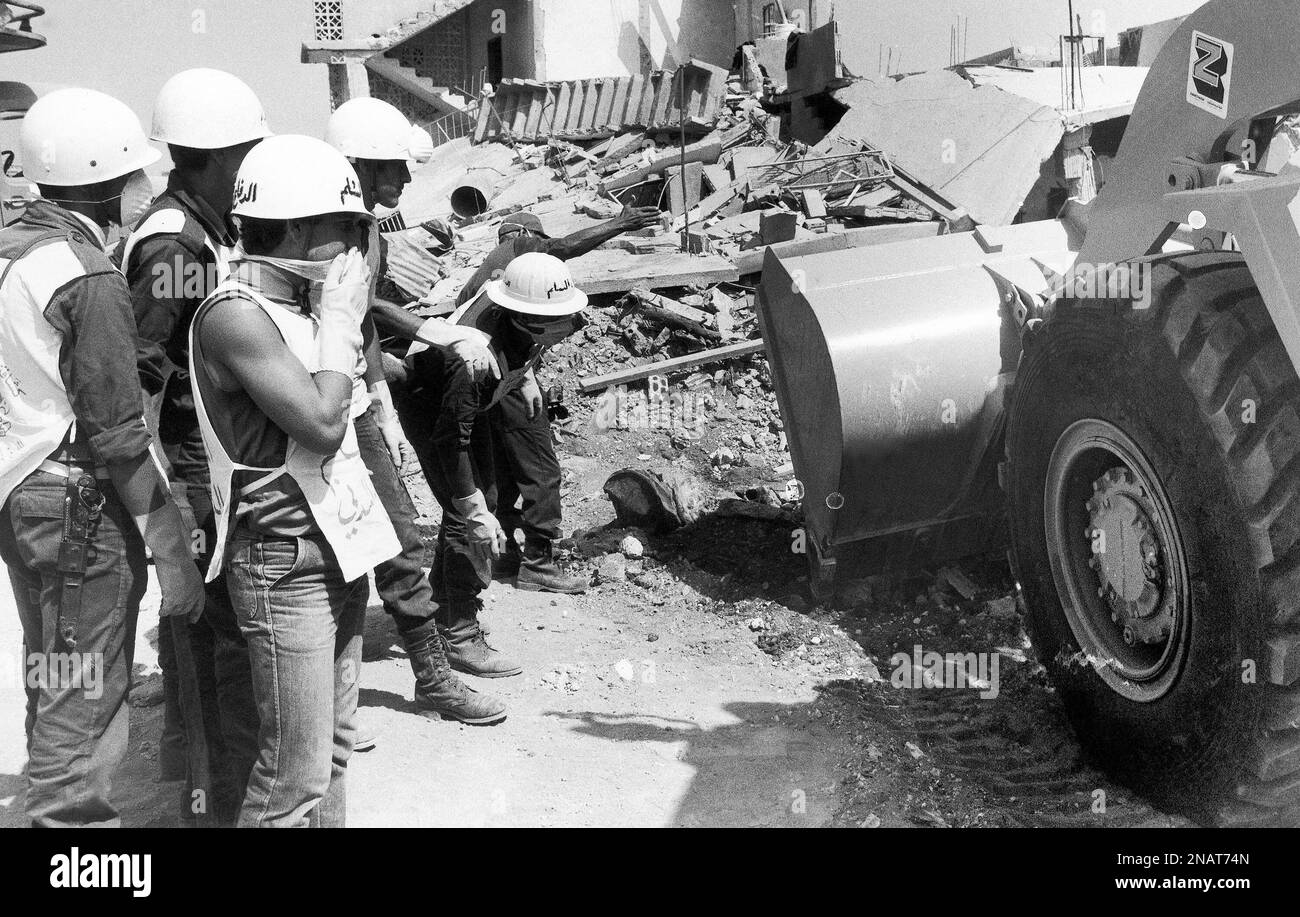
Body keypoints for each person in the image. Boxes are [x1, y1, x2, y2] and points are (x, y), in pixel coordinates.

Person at [0, 88, 205, 827]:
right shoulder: (85, 275)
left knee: (57, 669)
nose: (143, 191)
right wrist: (170, 545)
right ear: (107, 182)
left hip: (23, 492)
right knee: (84, 691)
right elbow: (118, 431)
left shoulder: (12, 248)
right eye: (134, 177)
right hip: (78, 500)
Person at [188, 134, 400, 827]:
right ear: (300, 228)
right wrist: (341, 323)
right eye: (345, 228)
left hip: (336, 545)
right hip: (284, 562)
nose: (354, 245)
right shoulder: (234, 314)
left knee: (332, 753)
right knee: (292, 777)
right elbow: (322, 421)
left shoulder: (304, 305)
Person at [324, 96, 506, 724]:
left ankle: (419, 674)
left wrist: (383, 393)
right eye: (393, 169)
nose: (404, 182)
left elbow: (366, 315)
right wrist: (431, 335)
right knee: (370, 544)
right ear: (356, 163)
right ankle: (385, 688)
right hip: (313, 408)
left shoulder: (368, 227)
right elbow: (361, 309)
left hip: (351, 398)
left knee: (392, 536)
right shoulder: (317, 228)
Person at [119, 67, 269, 826]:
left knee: (206, 633)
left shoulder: (204, 227)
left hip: (201, 459)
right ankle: (214, 799)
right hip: (185, 464)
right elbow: (142, 376)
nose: (253, 166)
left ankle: (198, 765)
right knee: (220, 640)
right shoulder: (175, 246)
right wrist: (166, 502)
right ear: (210, 157)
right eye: (244, 152)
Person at [453, 204, 660, 593]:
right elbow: (567, 246)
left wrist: (526, 374)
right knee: (540, 467)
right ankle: (538, 563)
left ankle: (504, 554)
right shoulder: (520, 251)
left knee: (499, 469)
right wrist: (621, 223)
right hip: (504, 381)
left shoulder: (480, 281)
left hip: (484, 381)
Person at [398, 252, 587, 678]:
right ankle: (458, 634)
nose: (570, 327)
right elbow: (453, 438)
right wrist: (469, 505)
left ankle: (444, 604)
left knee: (485, 499)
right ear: (527, 316)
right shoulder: (473, 364)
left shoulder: (509, 303)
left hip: (469, 401)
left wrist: (524, 378)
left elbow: (522, 342)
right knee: (470, 513)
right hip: (433, 411)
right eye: (557, 319)